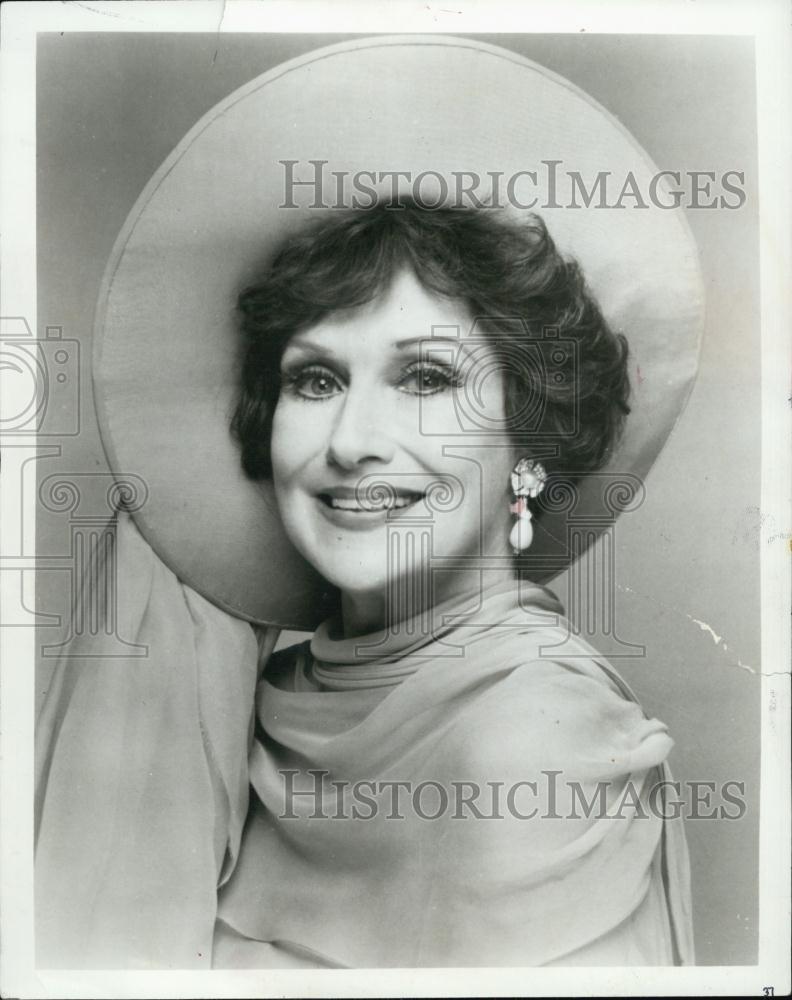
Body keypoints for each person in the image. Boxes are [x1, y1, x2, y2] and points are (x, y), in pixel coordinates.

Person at [34, 36, 703, 969]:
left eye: (426, 377)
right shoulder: (248, 700)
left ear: (529, 436)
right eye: (313, 382)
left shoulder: (528, 741)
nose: (350, 442)